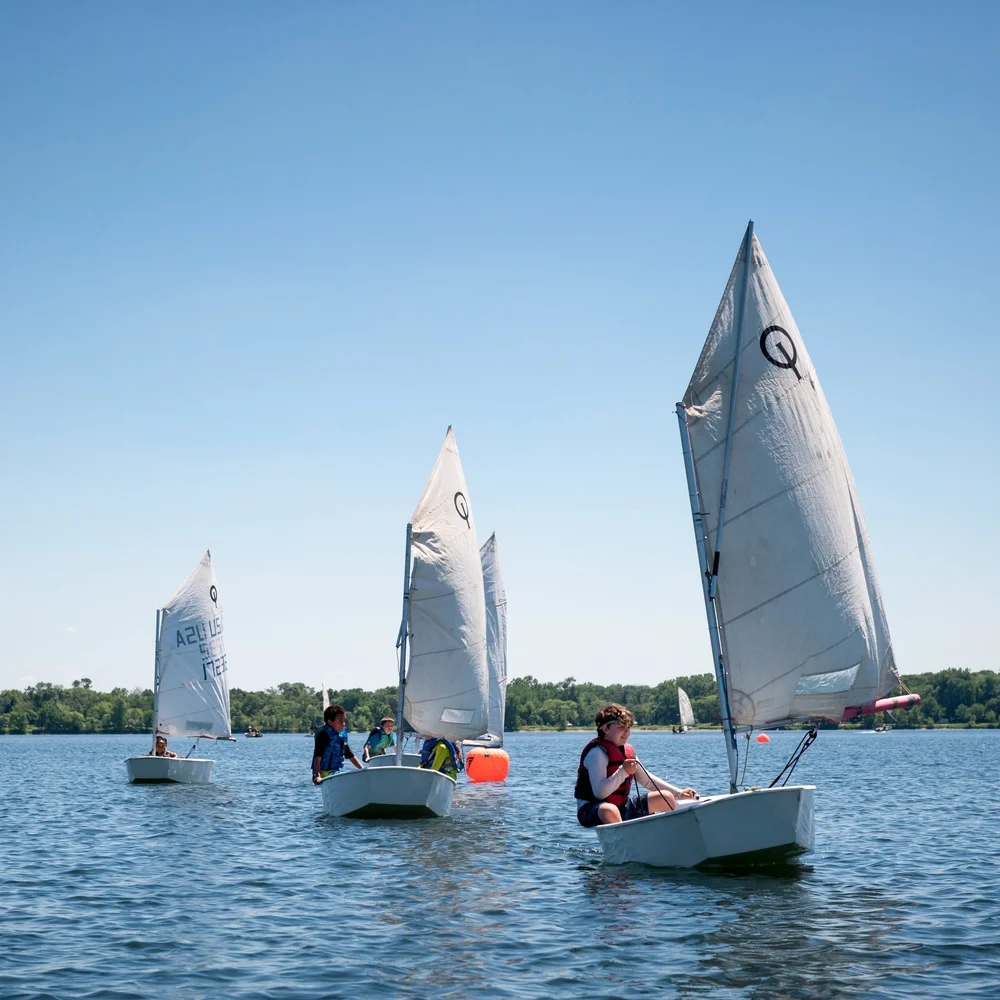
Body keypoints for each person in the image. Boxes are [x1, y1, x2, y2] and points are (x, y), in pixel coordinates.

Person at [575, 703, 697, 827]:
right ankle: (624, 844)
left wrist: (678, 793)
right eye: (621, 728)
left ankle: (665, 838)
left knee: (665, 797)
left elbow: (648, 781)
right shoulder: (597, 753)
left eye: (628, 728)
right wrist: (623, 771)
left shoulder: (628, 752)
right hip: (591, 809)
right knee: (610, 810)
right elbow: (599, 793)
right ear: (606, 729)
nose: (627, 733)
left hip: (623, 807)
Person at [312, 704, 363, 784]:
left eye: (344, 721)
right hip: (323, 772)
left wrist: (362, 770)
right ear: (330, 722)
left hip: (334, 771)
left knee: (354, 775)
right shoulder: (323, 734)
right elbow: (317, 757)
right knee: (346, 777)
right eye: (340, 721)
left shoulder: (342, 735)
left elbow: (350, 755)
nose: (343, 724)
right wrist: (317, 776)